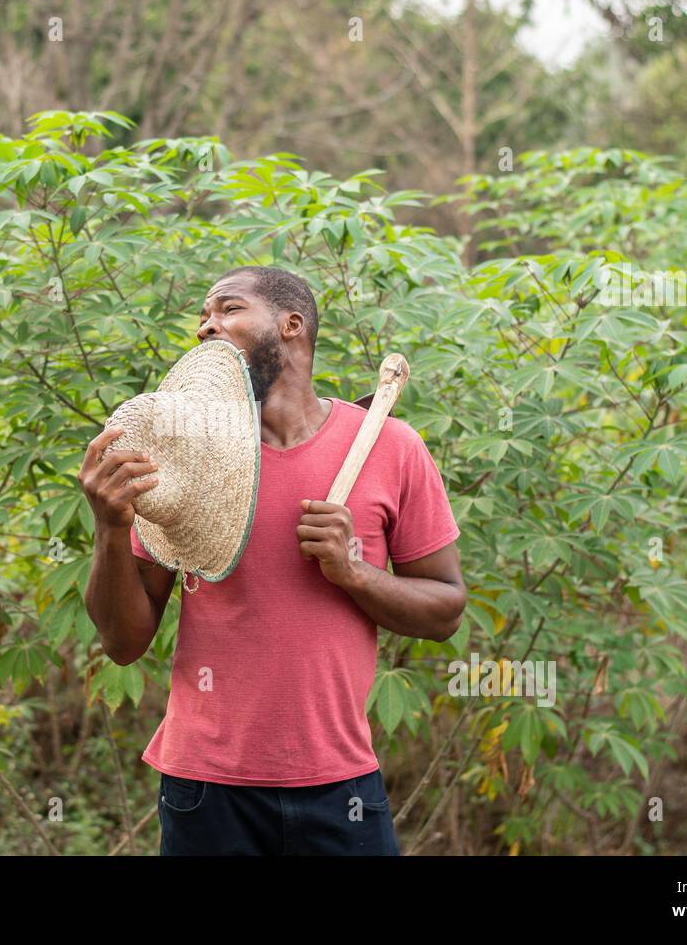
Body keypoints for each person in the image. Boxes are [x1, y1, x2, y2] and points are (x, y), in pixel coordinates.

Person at [80, 266, 466, 855]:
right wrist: (110, 528)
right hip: (206, 788)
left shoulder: (391, 446)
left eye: (228, 309)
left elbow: (444, 612)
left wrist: (353, 572)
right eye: (202, 319)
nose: (208, 326)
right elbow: (123, 642)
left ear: (292, 325)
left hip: (342, 785)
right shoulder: (182, 460)